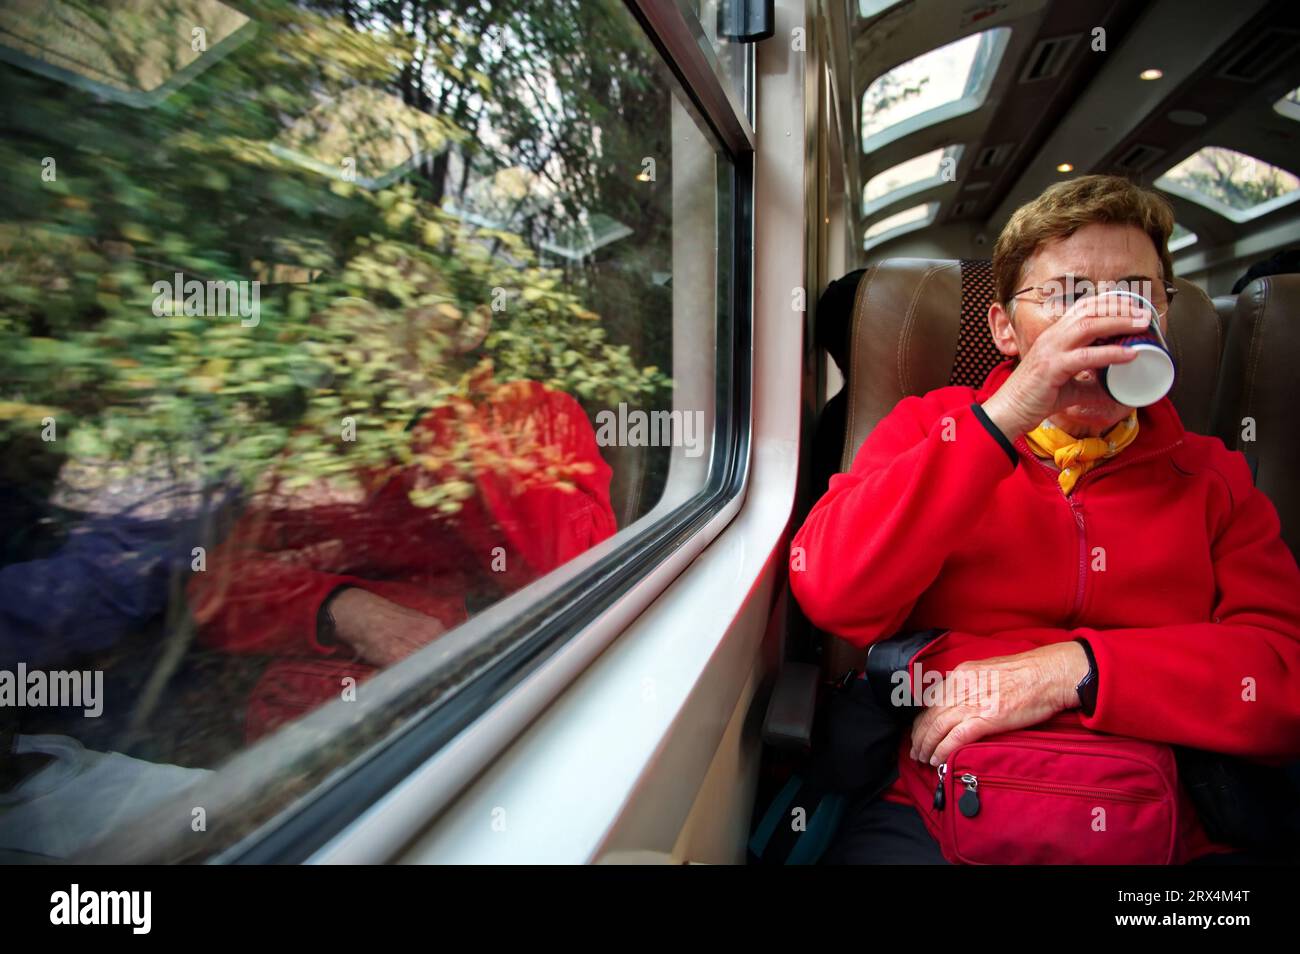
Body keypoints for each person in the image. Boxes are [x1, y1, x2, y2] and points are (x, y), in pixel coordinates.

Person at [790, 174, 1300, 864]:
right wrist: (1002, 421)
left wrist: (1077, 670)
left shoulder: (1212, 476)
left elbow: (1281, 677)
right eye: (1067, 295)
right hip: (940, 798)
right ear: (1004, 329)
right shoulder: (929, 428)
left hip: (1157, 807)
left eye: (1134, 293)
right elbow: (833, 592)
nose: (1104, 317)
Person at [187, 372, 616, 740]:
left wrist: (437, 409)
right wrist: (338, 607)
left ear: (470, 328)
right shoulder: (321, 439)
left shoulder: (532, 413)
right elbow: (214, 585)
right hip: (337, 729)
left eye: (392, 299)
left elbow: (575, 577)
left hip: (495, 705)